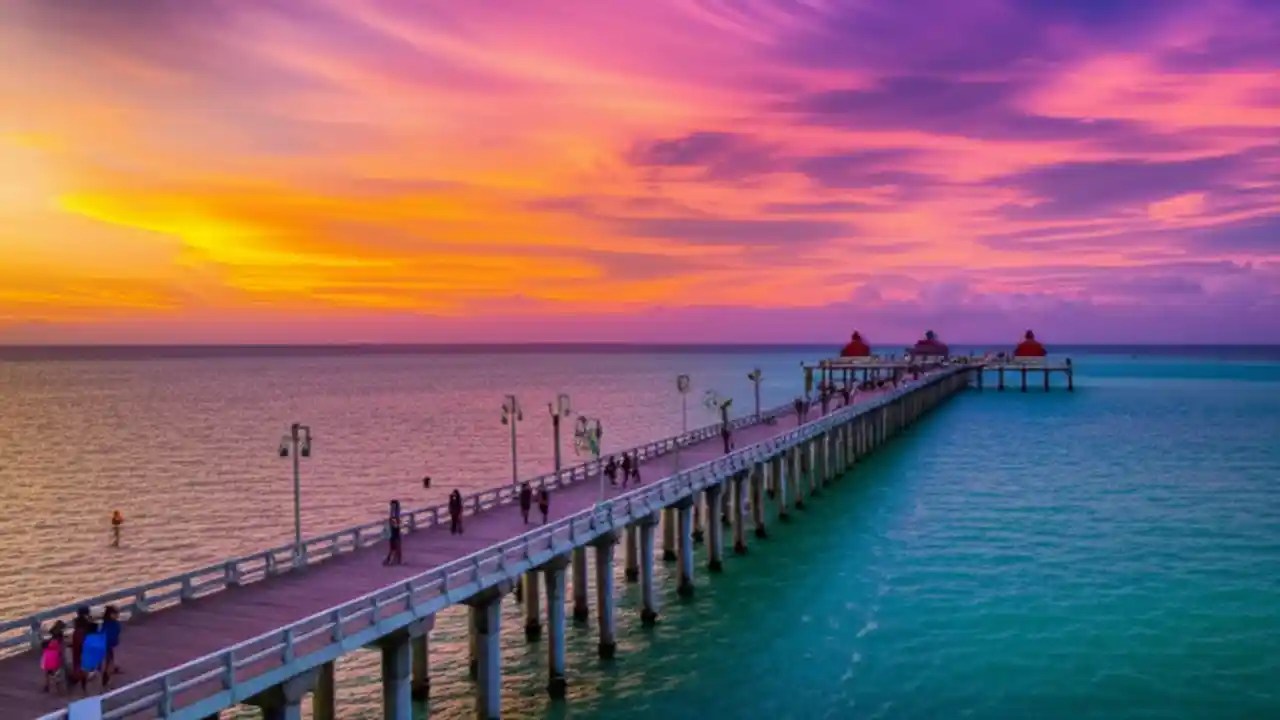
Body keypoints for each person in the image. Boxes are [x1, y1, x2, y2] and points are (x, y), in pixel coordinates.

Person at [41, 621, 66, 693]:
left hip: (47, 660)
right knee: (57, 672)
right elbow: (60, 650)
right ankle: (58, 688)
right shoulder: (58, 642)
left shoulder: (47, 643)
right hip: (55, 658)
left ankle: (47, 685)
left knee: (47, 672)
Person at [101, 606, 122, 682]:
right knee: (108, 658)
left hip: (108, 644)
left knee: (110, 657)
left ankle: (111, 668)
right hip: (107, 644)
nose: (117, 615)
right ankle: (107, 672)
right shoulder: (110, 624)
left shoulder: (109, 623)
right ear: (111, 614)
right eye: (115, 614)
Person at [383, 500, 403, 566]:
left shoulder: (395, 517)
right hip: (393, 531)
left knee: (395, 545)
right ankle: (393, 559)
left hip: (395, 531)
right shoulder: (394, 516)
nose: (392, 508)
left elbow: (395, 525)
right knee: (393, 546)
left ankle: (394, 560)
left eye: (393, 507)